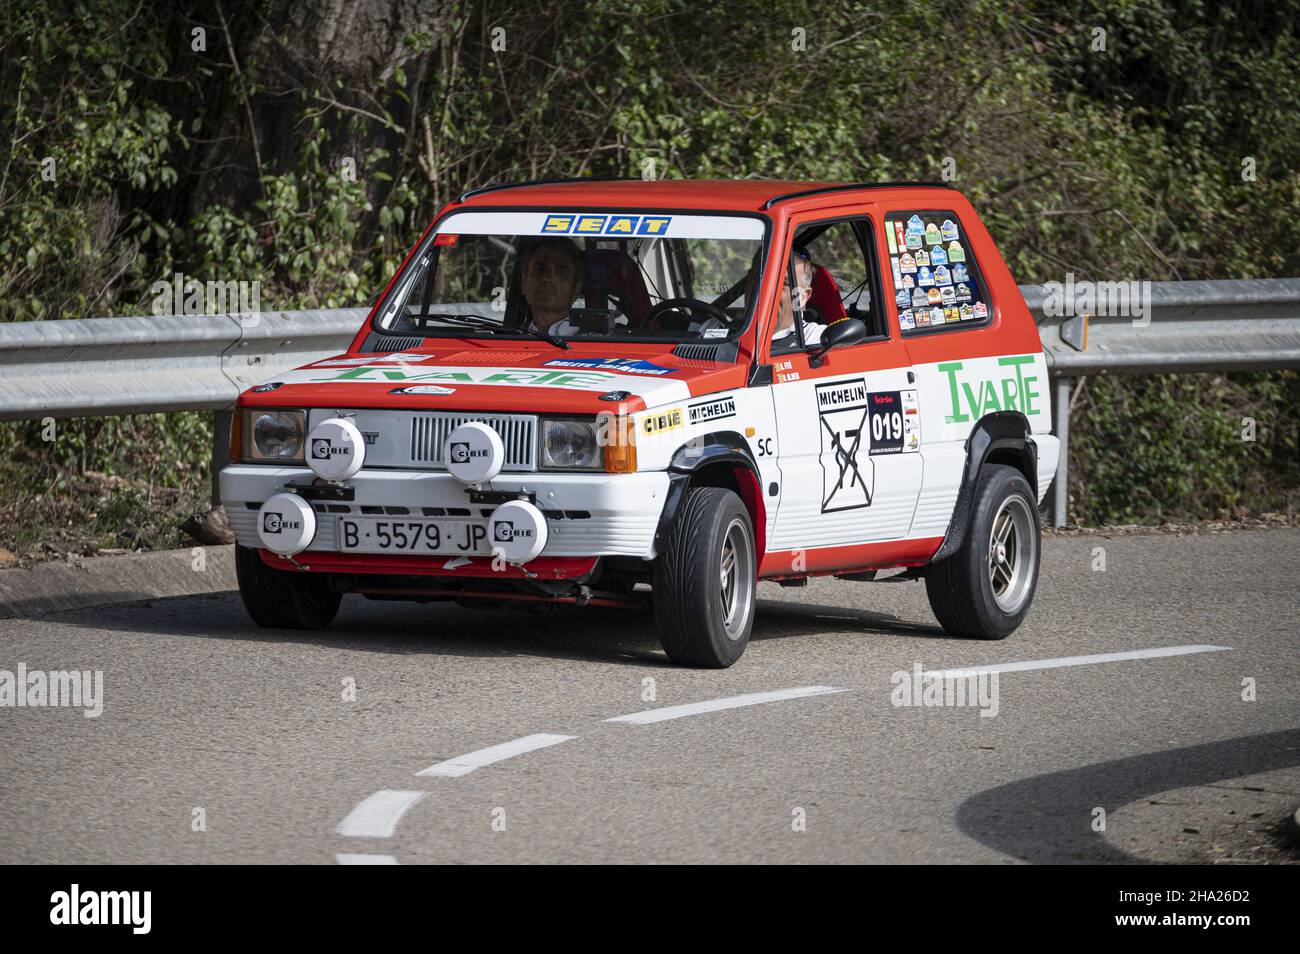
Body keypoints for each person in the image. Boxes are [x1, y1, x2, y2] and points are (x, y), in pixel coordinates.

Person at [520, 237, 585, 336]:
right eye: (539, 269)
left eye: (560, 271)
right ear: (524, 282)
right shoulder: (507, 337)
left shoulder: (595, 341)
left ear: (576, 289)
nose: (547, 278)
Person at [770, 244, 824, 351]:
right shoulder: (731, 332)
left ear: (802, 297)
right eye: (758, 281)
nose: (767, 290)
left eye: (782, 284)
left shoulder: (816, 338)